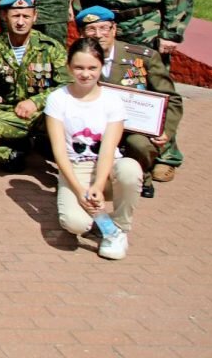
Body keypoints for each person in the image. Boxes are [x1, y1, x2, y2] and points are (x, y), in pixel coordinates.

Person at [44, 37, 142, 260]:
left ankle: (119, 229)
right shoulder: (57, 99)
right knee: (75, 223)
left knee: (130, 169)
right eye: (79, 67)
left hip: (106, 167)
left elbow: (108, 149)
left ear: (101, 67)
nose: (85, 74)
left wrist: (98, 184)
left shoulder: (112, 101)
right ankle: (103, 223)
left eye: (92, 68)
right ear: (69, 67)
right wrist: (80, 191)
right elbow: (59, 152)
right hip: (75, 167)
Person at [77, 6, 184, 197]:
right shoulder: (77, 59)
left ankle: (143, 176)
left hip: (134, 128)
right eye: (91, 30)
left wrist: (166, 131)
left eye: (104, 28)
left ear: (114, 29)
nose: (99, 35)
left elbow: (172, 99)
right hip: (97, 127)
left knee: (139, 145)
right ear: (81, 34)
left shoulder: (142, 58)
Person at [0, 0, 71, 170]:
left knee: (70, 117)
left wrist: (36, 101)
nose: (20, 22)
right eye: (15, 16)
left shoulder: (50, 47)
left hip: (41, 116)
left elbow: (67, 85)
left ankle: (66, 161)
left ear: (35, 16)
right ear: (3, 16)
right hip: (5, 115)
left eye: (26, 16)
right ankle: (9, 154)